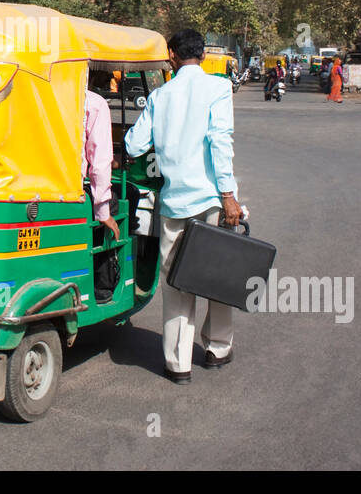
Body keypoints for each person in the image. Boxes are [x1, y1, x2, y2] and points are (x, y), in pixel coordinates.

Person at [125, 28, 242, 385]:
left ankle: (178, 363)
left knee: (176, 282)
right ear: (203, 56)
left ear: (172, 57)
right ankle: (217, 348)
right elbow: (220, 141)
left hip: (174, 203)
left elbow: (133, 146)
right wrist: (229, 195)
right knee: (217, 275)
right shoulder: (218, 88)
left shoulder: (160, 96)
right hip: (210, 201)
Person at [82, 74, 119, 241]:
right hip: (71, 191)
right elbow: (99, 164)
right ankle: (108, 263)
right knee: (118, 199)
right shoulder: (94, 102)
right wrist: (103, 213)